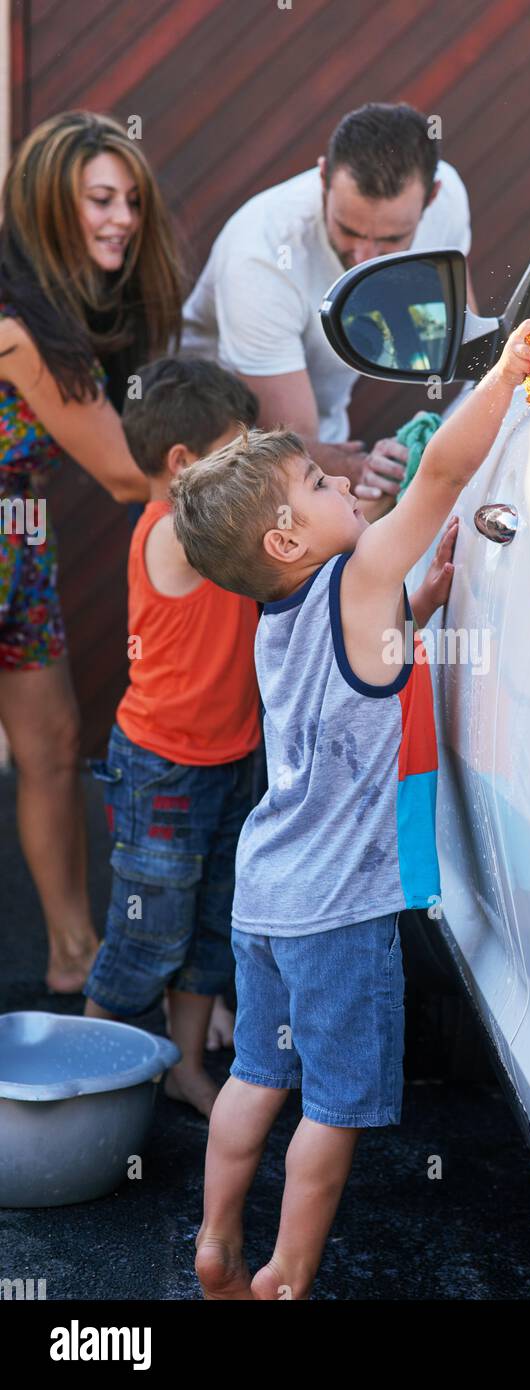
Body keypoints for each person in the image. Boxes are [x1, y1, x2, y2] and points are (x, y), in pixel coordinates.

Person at [167, 313, 530, 1298]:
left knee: (257, 1076)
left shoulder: (279, 615)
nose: (343, 487)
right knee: (333, 1107)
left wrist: (418, 608)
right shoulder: (360, 574)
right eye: (319, 484)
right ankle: (288, 1274)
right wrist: (506, 371)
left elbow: (346, 677)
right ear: (288, 537)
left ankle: (215, 1240)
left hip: (266, 894)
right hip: (337, 912)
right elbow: (442, 475)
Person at [0, 111, 184, 994]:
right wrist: (266, 487)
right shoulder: (17, 328)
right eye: (100, 200)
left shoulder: (66, 317)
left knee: (54, 745)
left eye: (132, 201)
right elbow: (122, 473)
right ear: (49, 207)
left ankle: (72, 955)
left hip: (21, 545)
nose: (123, 219)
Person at [82, 358, 264, 1117]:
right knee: (147, 933)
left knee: (209, 930)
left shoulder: (209, 518)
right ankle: (85, 1067)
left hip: (230, 758)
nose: (251, 467)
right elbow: (270, 543)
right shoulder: (173, 531)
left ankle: (184, 1066)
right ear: (184, 463)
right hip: (163, 767)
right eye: (237, 454)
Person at [181, 101, 478, 510]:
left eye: (392, 239)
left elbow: (463, 343)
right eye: (348, 230)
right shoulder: (263, 256)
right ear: (323, 178)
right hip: (214, 471)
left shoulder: (449, 200)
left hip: (324, 439)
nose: (364, 256)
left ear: (432, 197)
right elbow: (291, 449)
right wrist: (374, 469)